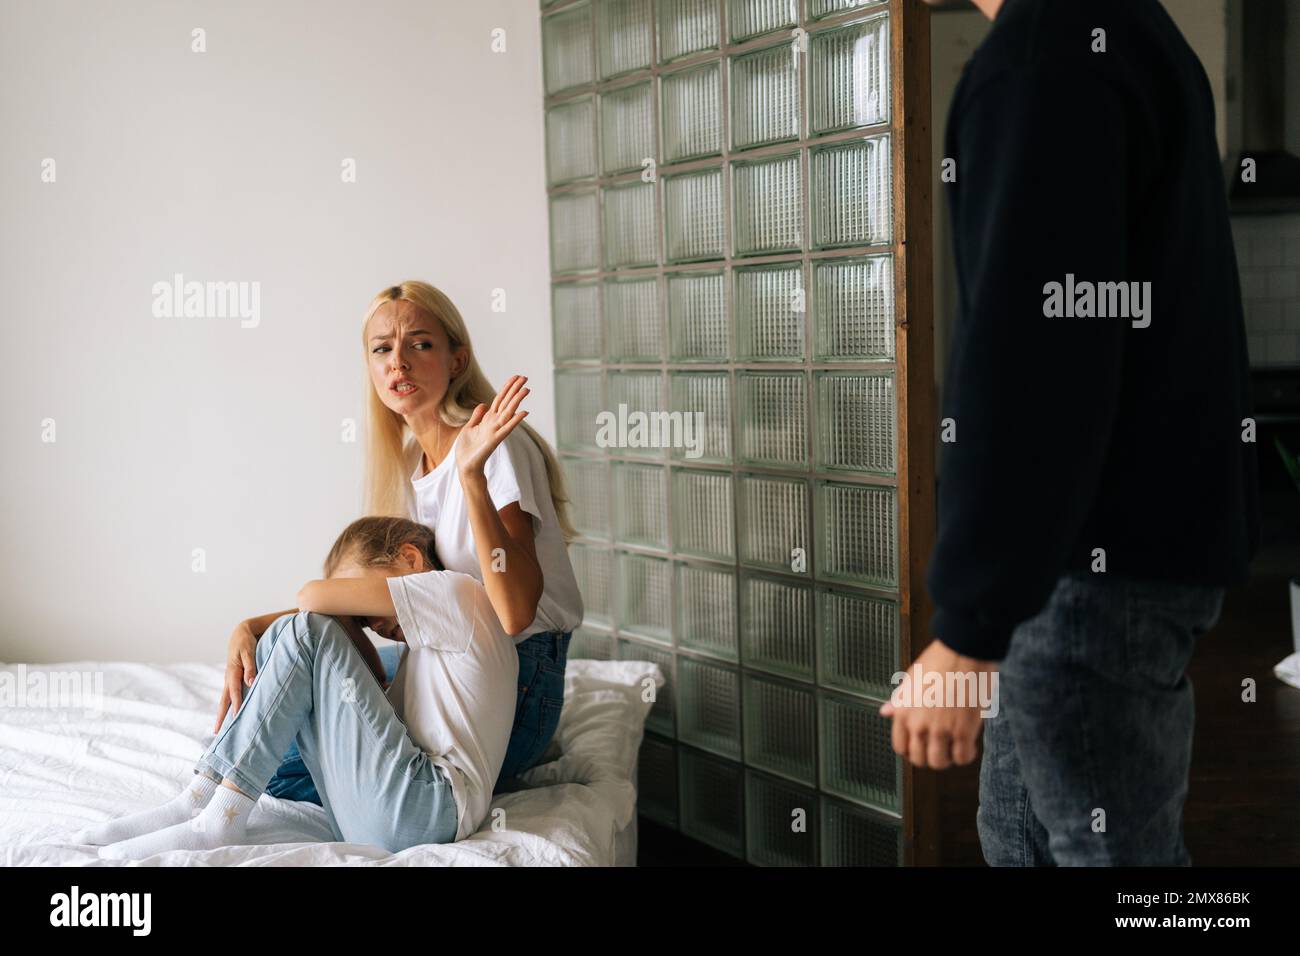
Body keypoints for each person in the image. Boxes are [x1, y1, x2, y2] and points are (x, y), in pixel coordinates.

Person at [882, 0, 1260, 865]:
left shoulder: (1048, 55)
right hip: (1097, 565)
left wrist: (970, 627)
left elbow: (1035, 367)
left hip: (1089, 577)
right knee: (1020, 842)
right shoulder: (1118, 29)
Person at [225, 281, 585, 805]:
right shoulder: (414, 465)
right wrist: (256, 627)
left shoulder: (493, 449)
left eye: (420, 344)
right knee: (285, 722)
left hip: (520, 680)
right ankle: (215, 785)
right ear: (371, 369)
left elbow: (513, 614)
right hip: (449, 665)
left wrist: (470, 479)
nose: (399, 363)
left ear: (456, 359)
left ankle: (223, 793)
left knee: (285, 767)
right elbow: (392, 597)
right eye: (382, 349)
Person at [76, 515, 518, 857]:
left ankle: (214, 812)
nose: (372, 626)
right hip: (384, 818)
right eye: (361, 620)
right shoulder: (421, 654)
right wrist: (256, 631)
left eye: (358, 598)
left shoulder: (462, 595)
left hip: (429, 809)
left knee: (304, 628)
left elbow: (311, 601)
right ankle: (201, 798)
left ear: (409, 558)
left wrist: (257, 621)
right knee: (289, 637)